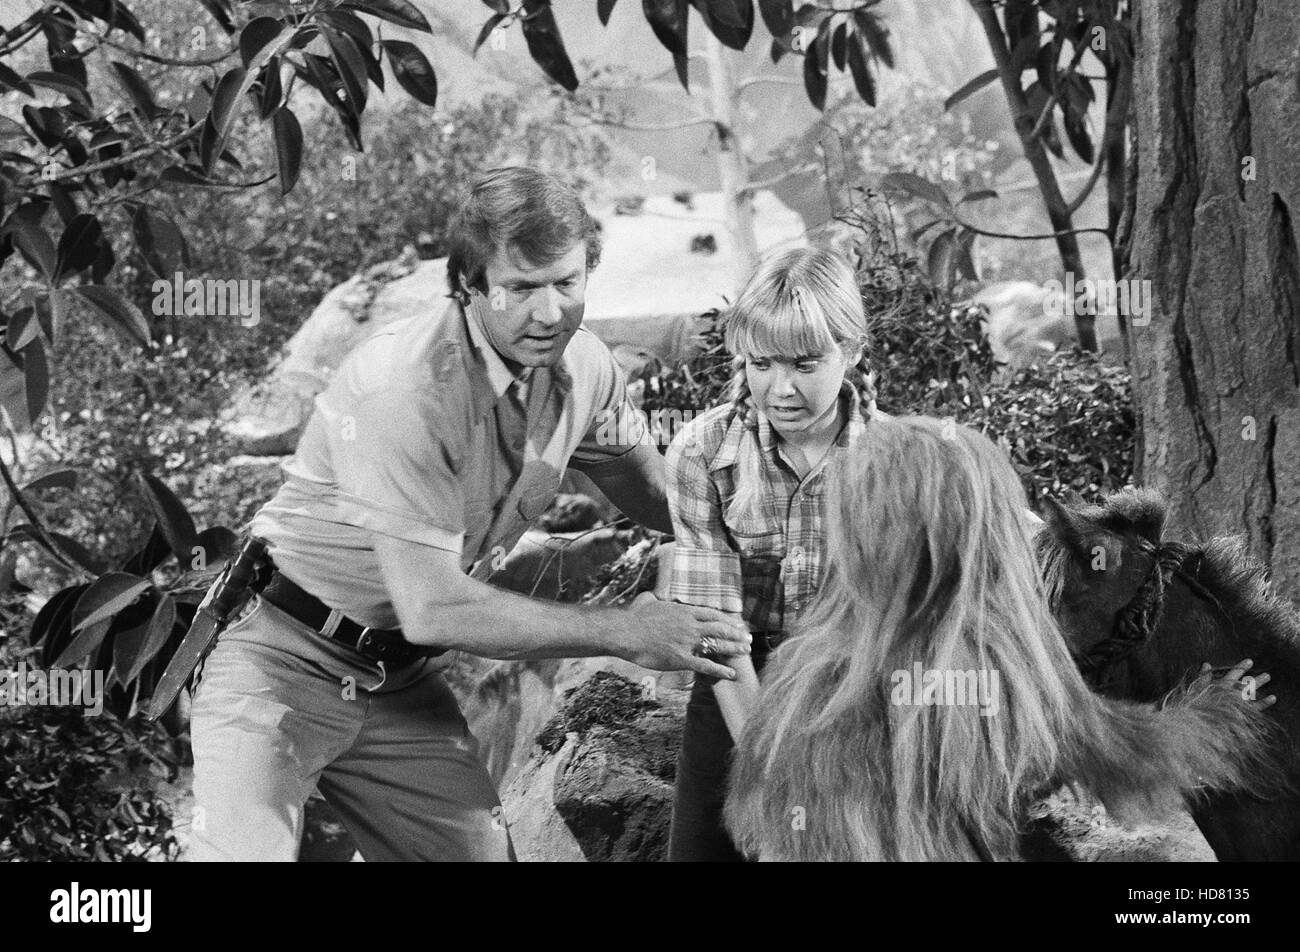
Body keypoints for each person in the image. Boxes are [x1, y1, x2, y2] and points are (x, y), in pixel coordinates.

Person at [188, 167, 750, 862]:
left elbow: (662, 500)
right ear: (470, 284)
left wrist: (775, 532)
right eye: (519, 288)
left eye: (566, 285)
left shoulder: (586, 369)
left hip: (397, 677)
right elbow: (436, 609)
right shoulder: (407, 389)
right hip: (279, 655)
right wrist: (624, 632)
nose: (548, 314)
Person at [722, 416, 1277, 861]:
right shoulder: (986, 658)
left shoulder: (802, 661)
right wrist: (1216, 711)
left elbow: (751, 811)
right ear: (977, 529)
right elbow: (1122, 758)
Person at [662, 247, 879, 862]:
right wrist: (774, 780)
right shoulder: (703, 452)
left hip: (857, 685)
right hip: (736, 675)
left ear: (852, 351)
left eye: (806, 364)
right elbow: (717, 635)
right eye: (761, 364)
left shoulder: (898, 461)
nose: (779, 390)